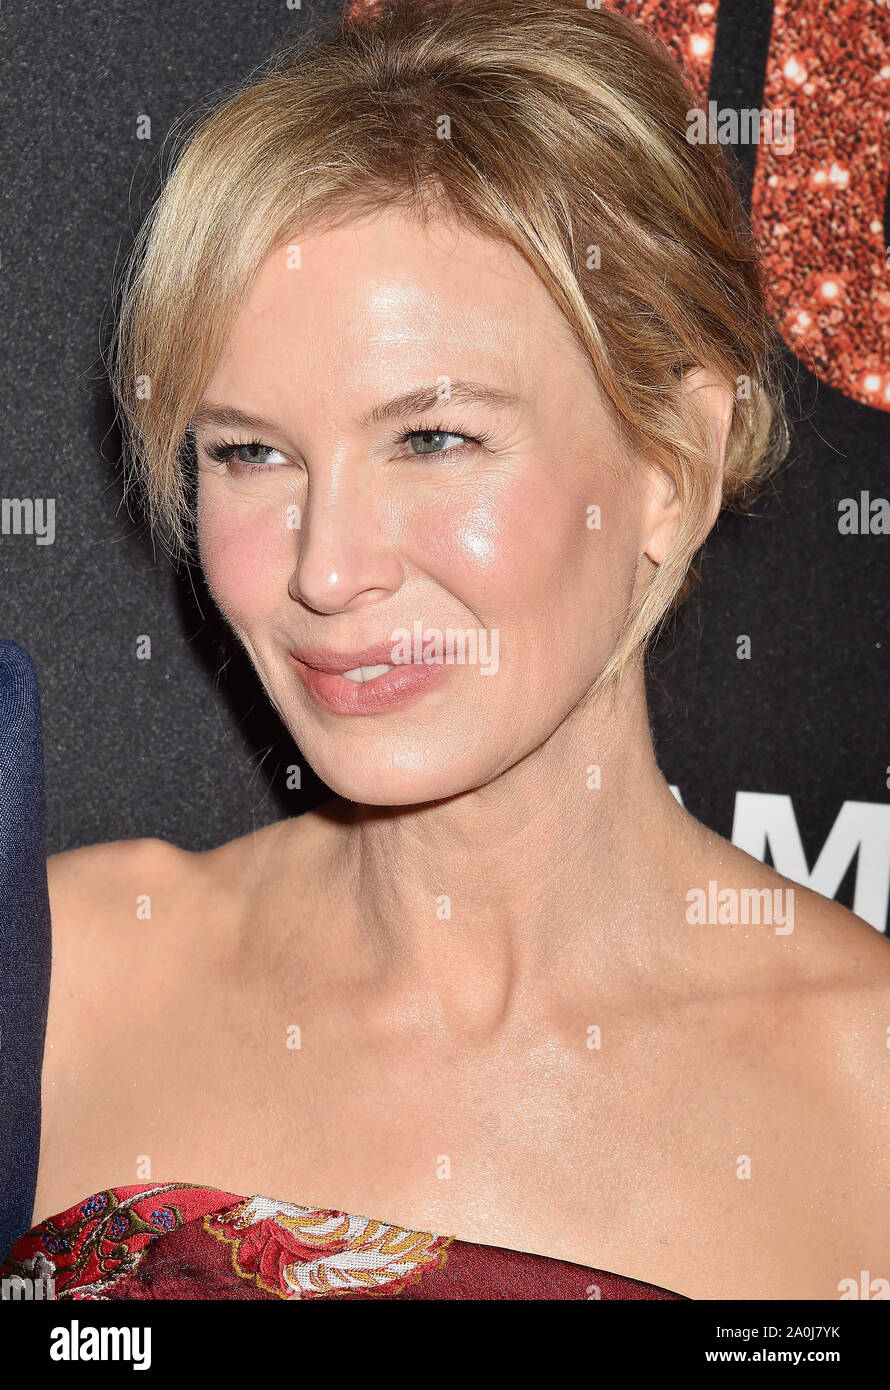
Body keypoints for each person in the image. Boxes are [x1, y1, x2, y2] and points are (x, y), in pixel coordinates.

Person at [5, 0, 889, 1301]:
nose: (325, 567)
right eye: (250, 452)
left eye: (431, 440)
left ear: (671, 464)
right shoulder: (53, 976)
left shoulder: (865, 1094)